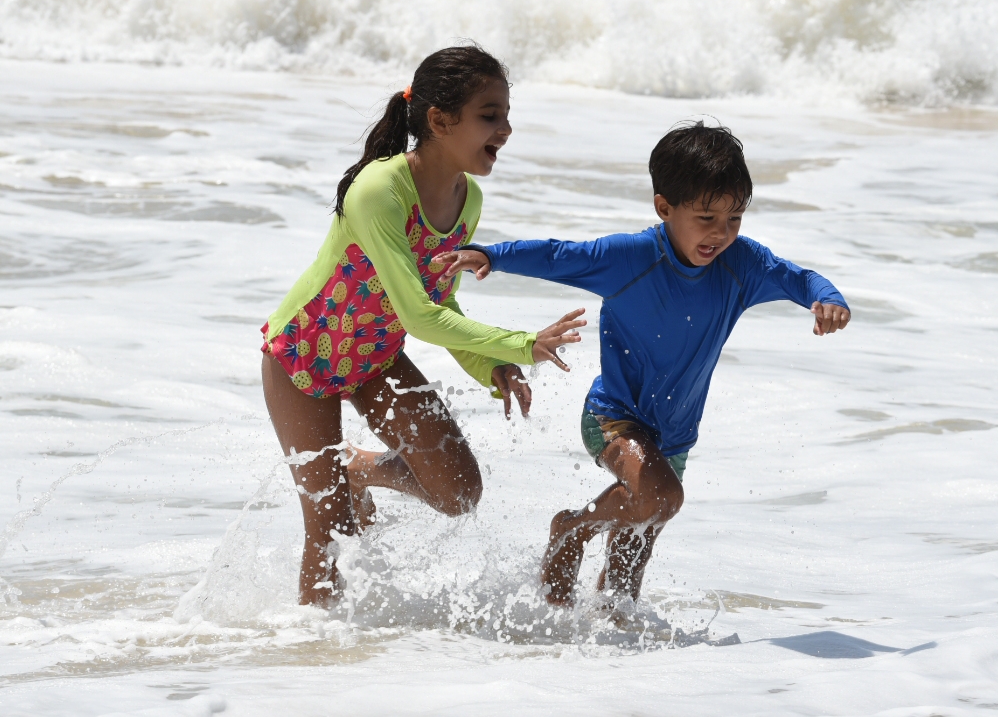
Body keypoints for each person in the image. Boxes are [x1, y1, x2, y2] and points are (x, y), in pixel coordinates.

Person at [436, 121, 851, 606]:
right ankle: (572, 528)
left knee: (630, 566)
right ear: (664, 207)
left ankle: (604, 656)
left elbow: (799, 279)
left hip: (675, 434)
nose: (721, 233)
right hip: (613, 416)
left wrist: (827, 299)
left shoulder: (744, 265)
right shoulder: (632, 258)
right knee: (662, 499)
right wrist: (492, 255)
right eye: (706, 217)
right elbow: (561, 256)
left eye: (735, 219)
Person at [260, 46, 585, 606]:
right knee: (331, 524)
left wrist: (493, 363)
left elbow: (442, 303)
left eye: (506, 114)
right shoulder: (379, 189)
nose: (506, 129)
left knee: (460, 492)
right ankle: (311, 657)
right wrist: (524, 343)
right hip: (302, 356)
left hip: (375, 360)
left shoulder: (468, 199)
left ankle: (357, 468)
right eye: (490, 115)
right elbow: (419, 316)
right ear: (439, 120)